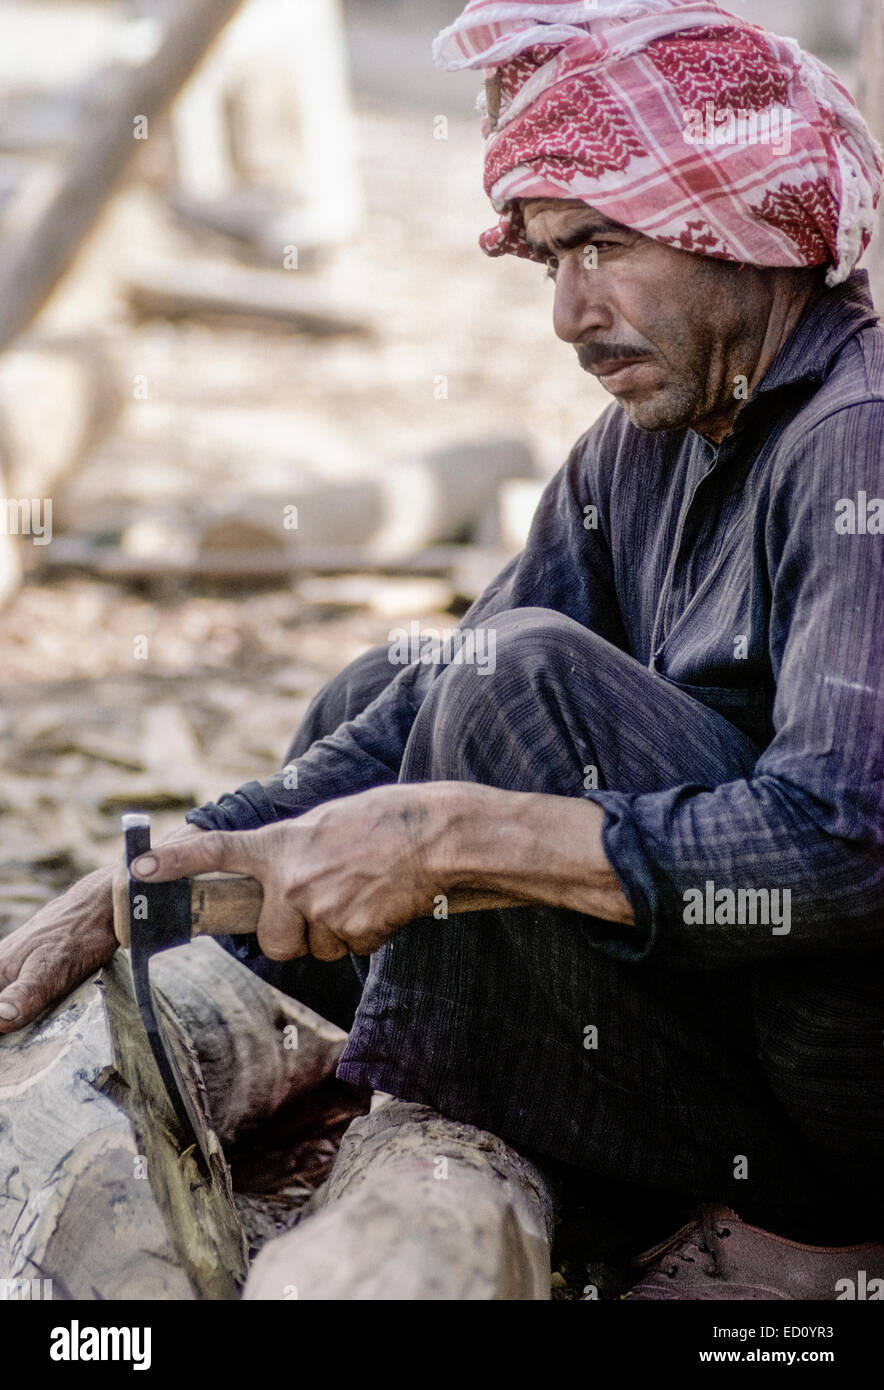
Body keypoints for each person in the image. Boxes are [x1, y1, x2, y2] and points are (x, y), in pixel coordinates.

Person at [2, 0, 882, 1299]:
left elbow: (853, 842)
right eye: (548, 263)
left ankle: (787, 1241)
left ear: (737, 226)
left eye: (603, 247)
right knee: (404, 684)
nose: (570, 314)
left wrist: (446, 842)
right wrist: (157, 873)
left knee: (520, 691)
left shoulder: (854, 439)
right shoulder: (639, 454)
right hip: (722, 1038)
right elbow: (419, 709)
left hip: (836, 1103)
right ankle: (396, 1083)